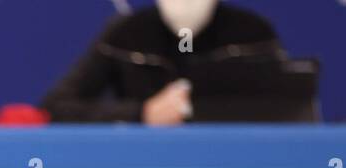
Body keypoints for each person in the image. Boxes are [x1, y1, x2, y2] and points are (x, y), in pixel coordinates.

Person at [40, 0, 283, 125]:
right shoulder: (127, 34)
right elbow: (57, 107)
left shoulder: (253, 35)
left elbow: (288, 109)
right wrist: (141, 113)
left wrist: (208, 110)